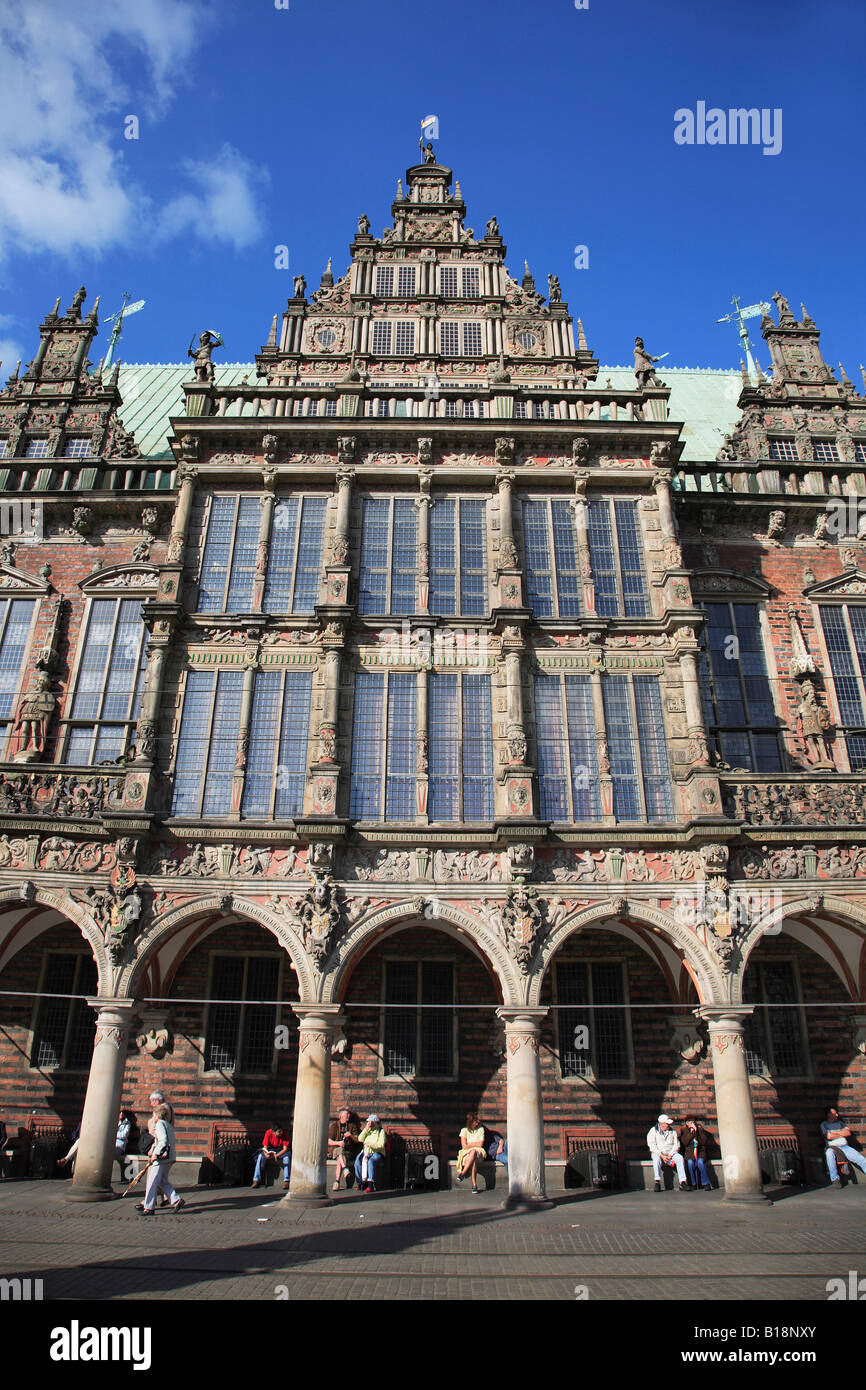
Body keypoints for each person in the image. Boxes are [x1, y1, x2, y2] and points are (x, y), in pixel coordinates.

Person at [137, 1102, 184, 1215]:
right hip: (170, 1158)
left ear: (157, 1115)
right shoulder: (169, 1125)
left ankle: (149, 1207)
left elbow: (162, 1141)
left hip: (161, 1159)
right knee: (162, 1181)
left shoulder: (160, 1124)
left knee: (152, 1182)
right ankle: (176, 1200)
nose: (153, 1117)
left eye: (153, 1115)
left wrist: (155, 1154)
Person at [821, 1106, 866, 1188]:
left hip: (845, 1147)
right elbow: (828, 1136)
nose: (837, 1115)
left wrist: (835, 1134)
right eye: (834, 1114)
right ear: (829, 1115)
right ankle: (835, 1179)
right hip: (833, 1147)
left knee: (861, 1159)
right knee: (829, 1154)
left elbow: (847, 1133)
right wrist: (841, 1133)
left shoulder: (840, 1123)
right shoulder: (824, 1124)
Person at [647, 1113, 688, 1191]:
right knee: (656, 1160)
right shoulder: (653, 1131)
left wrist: (670, 1155)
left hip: (670, 1153)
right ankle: (657, 1182)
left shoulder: (672, 1132)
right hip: (658, 1153)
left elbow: (676, 1145)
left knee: (680, 1158)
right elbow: (652, 1145)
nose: (669, 1125)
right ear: (661, 1124)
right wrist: (661, 1155)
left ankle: (683, 1182)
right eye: (667, 1123)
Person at [328, 1109, 361, 1191]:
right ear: (341, 1116)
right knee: (339, 1150)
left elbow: (357, 1139)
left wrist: (350, 1135)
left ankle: (337, 1182)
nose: (348, 1116)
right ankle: (345, 1169)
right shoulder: (334, 1126)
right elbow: (329, 1141)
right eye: (347, 1114)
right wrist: (338, 1143)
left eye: (349, 1114)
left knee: (340, 1158)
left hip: (347, 1151)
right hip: (335, 1149)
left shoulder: (351, 1126)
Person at [252, 1124, 292, 1189]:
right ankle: (256, 1179)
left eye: (281, 1131)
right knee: (260, 1157)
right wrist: (266, 1154)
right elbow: (265, 1147)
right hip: (271, 1149)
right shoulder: (268, 1132)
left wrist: (276, 1155)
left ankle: (286, 1181)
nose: (280, 1133)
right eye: (279, 1132)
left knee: (286, 1158)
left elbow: (285, 1149)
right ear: (273, 1132)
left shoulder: (284, 1134)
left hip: (281, 1150)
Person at [354, 1115, 387, 1193]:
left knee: (371, 1161)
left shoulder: (381, 1131)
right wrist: (366, 1129)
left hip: (377, 1153)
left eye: (370, 1122)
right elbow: (360, 1139)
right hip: (366, 1152)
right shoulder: (368, 1131)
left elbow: (381, 1144)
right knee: (357, 1161)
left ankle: (370, 1184)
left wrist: (371, 1144)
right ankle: (360, 1182)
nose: (368, 1124)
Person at [679, 1115, 712, 1190]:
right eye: (689, 1122)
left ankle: (706, 1183)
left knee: (700, 1162)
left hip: (700, 1152)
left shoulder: (700, 1130)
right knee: (690, 1163)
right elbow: (685, 1142)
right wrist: (691, 1134)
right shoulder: (684, 1131)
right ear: (687, 1123)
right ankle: (693, 1183)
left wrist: (696, 1132)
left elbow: (704, 1141)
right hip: (689, 1153)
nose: (691, 1124)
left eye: (693, 1122)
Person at [456, 1111, 486, 1194]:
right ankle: (474, 1185)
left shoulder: (481, 1129)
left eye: (477, 1121)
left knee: (474, 1153)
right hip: (466, 1154)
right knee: (473, 1156)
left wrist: (469, 1144)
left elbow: (480, 1144)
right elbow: (464, 1146)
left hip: (479, 1153)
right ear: (470, 1122)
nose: (477, 1123)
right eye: (475, 1121)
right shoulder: (464, 1130)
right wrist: (474, 1145)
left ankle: (462, 1173)